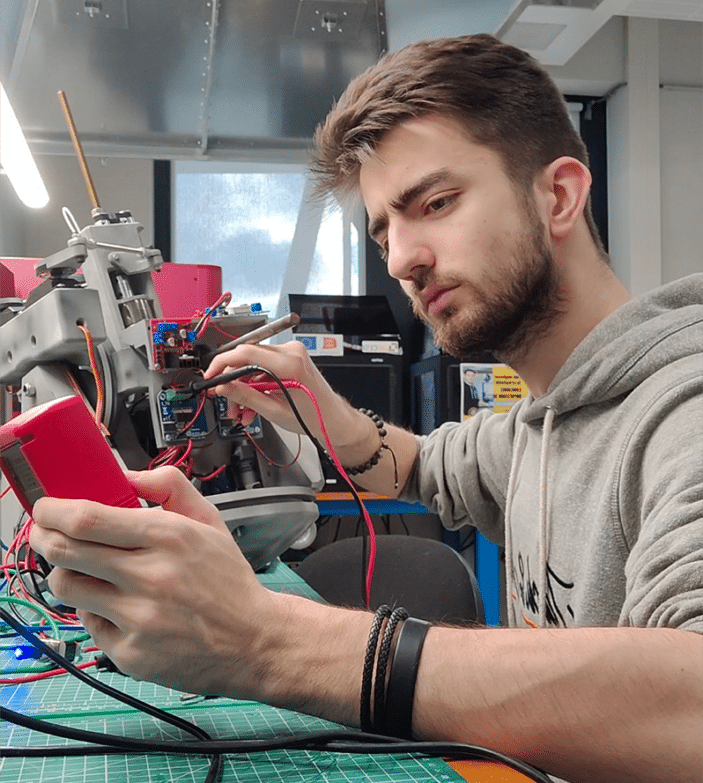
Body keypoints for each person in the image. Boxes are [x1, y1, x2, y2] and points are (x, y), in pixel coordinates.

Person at [28, 34, 702, 783]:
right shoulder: (537, 425)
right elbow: (421, 466)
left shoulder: (682, 410)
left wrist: (266, 639)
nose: (402, 259)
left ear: (559, 194)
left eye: (436, 203)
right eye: (383, 230)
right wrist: (319, 411)